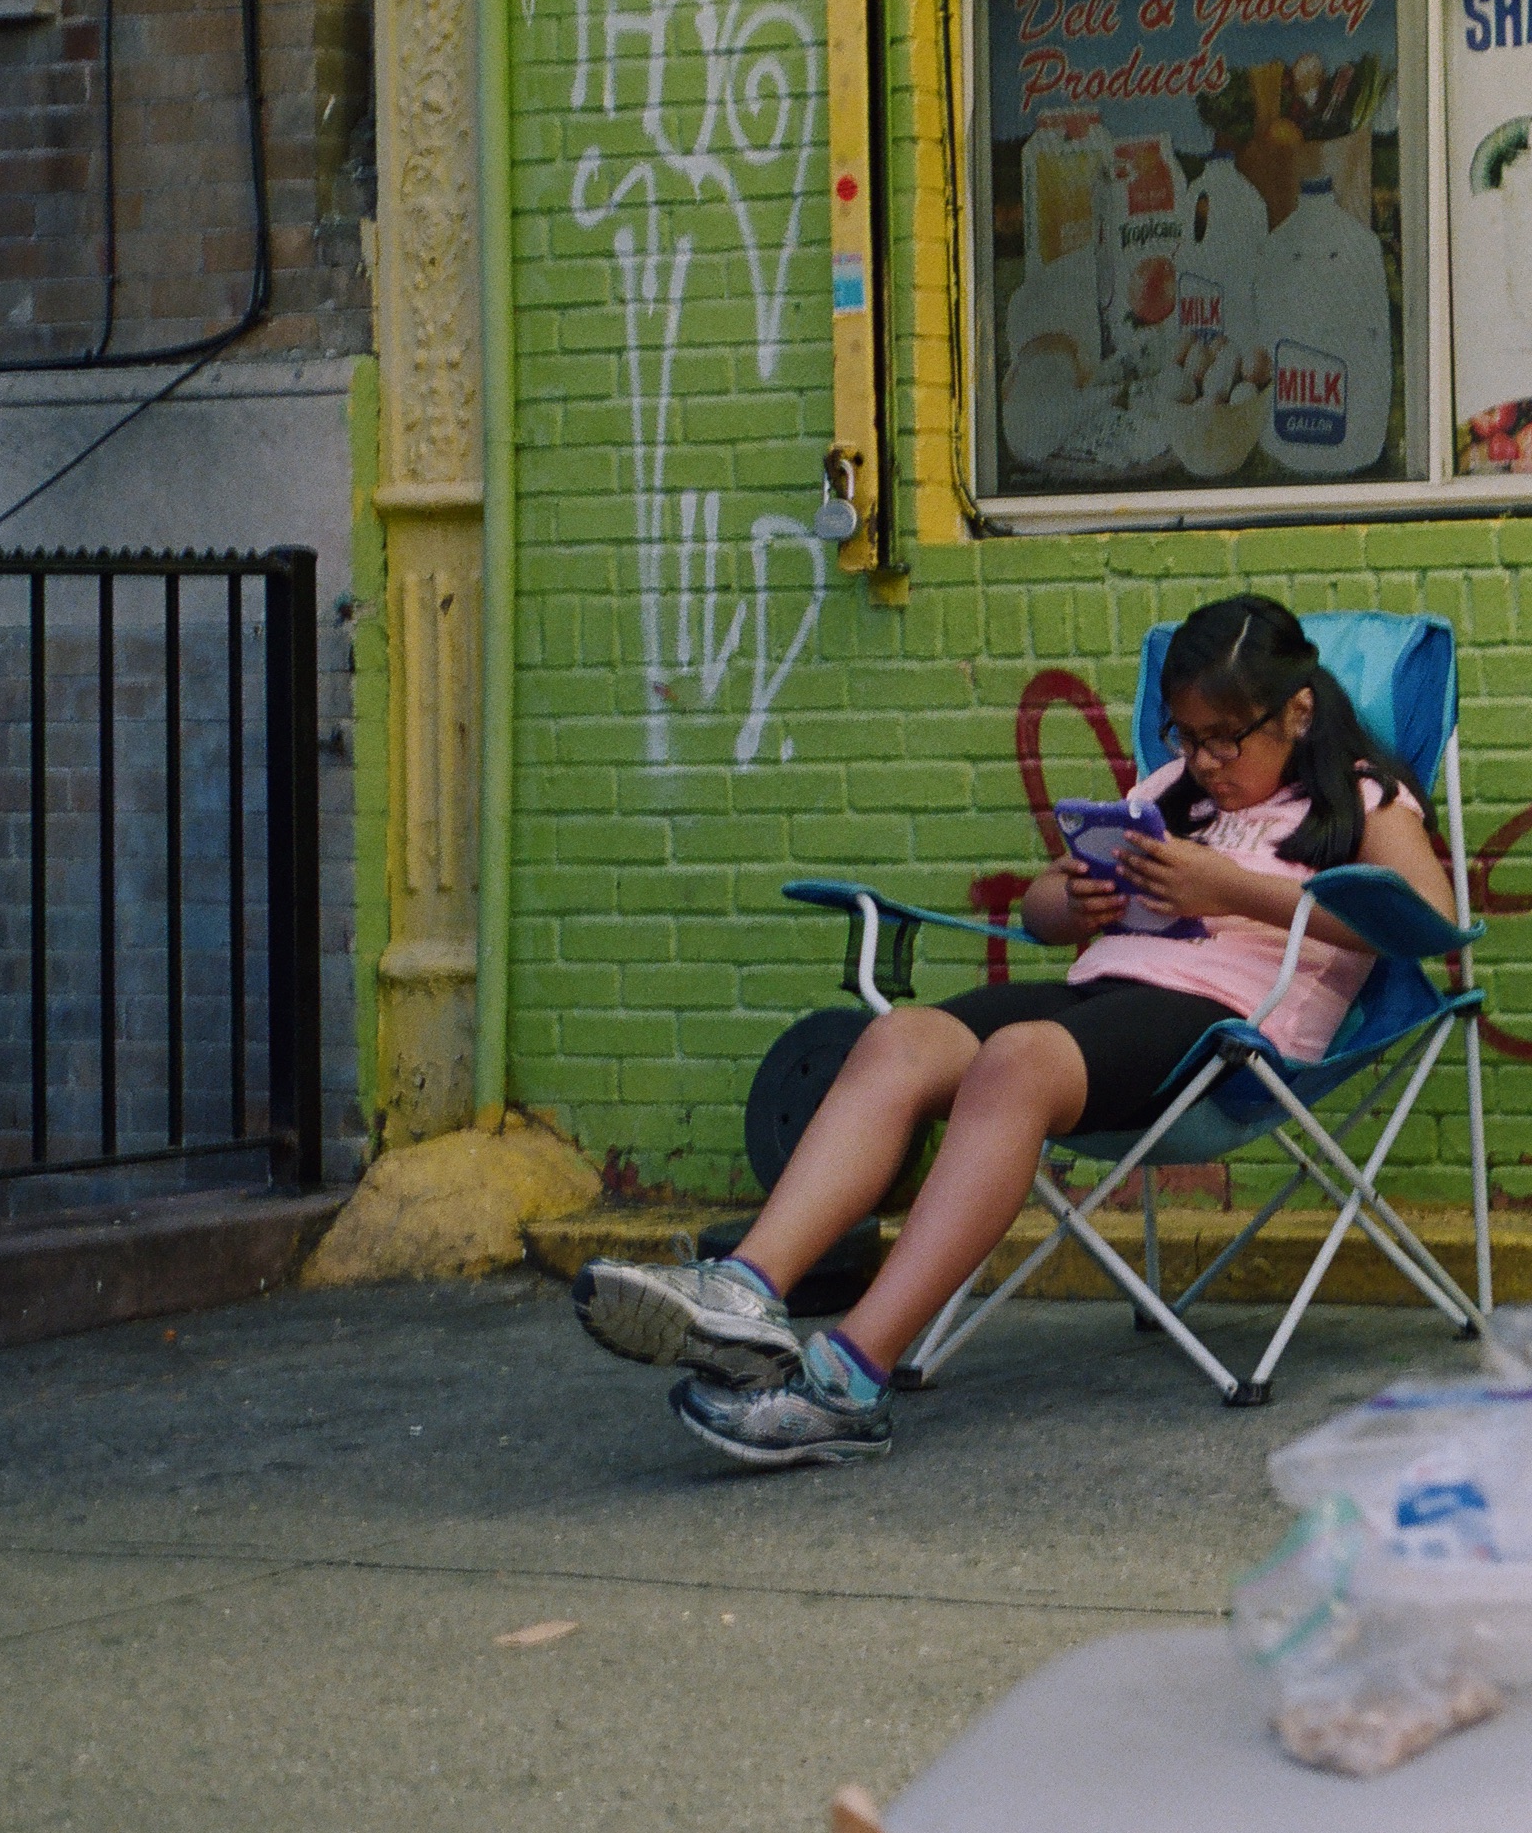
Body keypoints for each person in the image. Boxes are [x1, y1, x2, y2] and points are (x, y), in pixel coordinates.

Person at [568, 593, 1460, 1471]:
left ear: (1297, 711)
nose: (1208, 760)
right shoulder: (1171, 791)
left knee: (1015, 1061)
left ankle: (846, 1379)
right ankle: (743, 1292)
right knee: (902, 1038)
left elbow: (1431, 921)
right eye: (1188, 736)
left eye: (1228, 737)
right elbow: (1040, 915)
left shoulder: (1363, 799)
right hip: (1106, 992)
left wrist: (1231, 891)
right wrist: (1076, 898)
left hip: (1235, 1030)